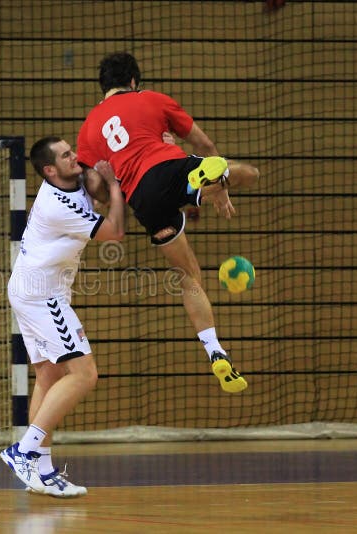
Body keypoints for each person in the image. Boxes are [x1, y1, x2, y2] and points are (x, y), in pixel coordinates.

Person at [76, 52, 260, 394]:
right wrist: (221, 190)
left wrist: (112, 184)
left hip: (142, 199)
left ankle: (215, 350)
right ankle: (206, 181)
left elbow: (97, 191)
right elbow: (204, 143)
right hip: (168, 165)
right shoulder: (152, 99)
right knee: (249, 173)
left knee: (188, 276)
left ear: (102, 88)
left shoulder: (88, 129)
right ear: (134, 82)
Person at [0, 137, 125, 498]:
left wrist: (102, 182)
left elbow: (97, 195)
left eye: (72, 150)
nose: (75, 157)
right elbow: (114, 230)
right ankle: (24, 450)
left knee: (49, 374)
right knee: (85, 375)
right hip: (43, 295)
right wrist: (115, 184)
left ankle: (39, 468)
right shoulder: (56, 204)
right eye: (66, 155)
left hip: (30, 288)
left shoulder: (71, 182)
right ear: (49, 170)